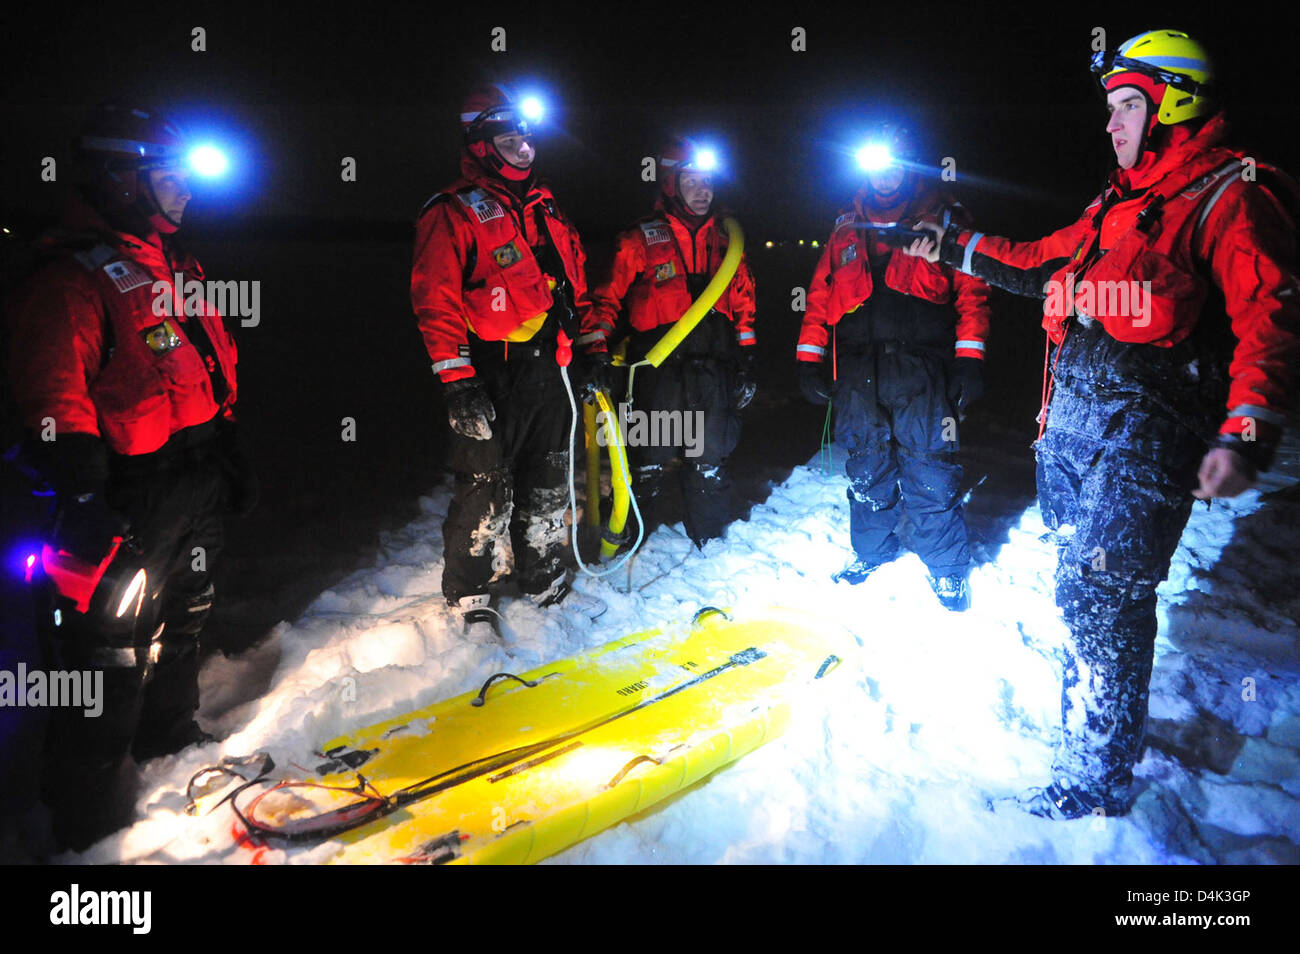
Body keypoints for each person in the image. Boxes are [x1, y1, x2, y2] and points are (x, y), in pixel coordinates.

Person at [906, 29, 1300, 817]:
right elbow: (1035, 259)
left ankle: (1095, 777)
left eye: (1126, 105)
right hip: (1077, 425)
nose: (1111, 124)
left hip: (1149, 432)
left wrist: (1247, 426)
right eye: (1111, 107)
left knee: (1102, 594)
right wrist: (955, 248)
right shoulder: (1119, 207)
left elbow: (1271, 309)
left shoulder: (1227, 191)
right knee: (1081, 590)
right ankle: (1087, 736)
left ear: (1171, 104)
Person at [6, 101, 255, 849]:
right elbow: (53, 395)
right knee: (107, 652)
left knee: (185, 616)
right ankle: (86, 821)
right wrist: (82, 495)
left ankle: (171, 744)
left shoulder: (173, 263)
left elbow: (205, 361)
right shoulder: (70, 279)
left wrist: (225, 442)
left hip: (193, 473)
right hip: (125, 490)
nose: (185, 194)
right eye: (171, 178)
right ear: (122, 181)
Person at [411, 84, 604, 637]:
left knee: (547, 478)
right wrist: (457, 382)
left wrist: (591, 350)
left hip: (550, 366)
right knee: (484, 485)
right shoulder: (451, 211)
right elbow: (434, 298)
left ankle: (541, 573)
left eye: (528, 137)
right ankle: (469, 590)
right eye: (510, 138)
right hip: (489, 370)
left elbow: (577, 289)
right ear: (481, 143)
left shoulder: (548, 209)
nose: (525, 148)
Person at [797, 123, 992, 610]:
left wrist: (970, 360)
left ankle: (946, 568)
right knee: (866, 464)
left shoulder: (944, 215)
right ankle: (872, 550)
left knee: (930, 466)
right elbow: (820, 297)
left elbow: (974, 291)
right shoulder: (845, 224)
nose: (885, 174)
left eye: (894, 162)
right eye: (874, 163)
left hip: (921, 367)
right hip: (858, 369)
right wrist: (809, 360)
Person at [581, 138, 758, 547]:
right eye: (692, 181)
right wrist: (597, 350)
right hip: (657, 369)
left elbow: (744, 303)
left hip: (714, 366)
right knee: (649, 457)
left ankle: (709, 539)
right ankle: (624, 539)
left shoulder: (727, 240)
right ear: (672, 184)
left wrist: (747, 359)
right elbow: (605, 298)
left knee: (709, 458)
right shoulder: (640, 237)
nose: (702, 190)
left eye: (708, 182)